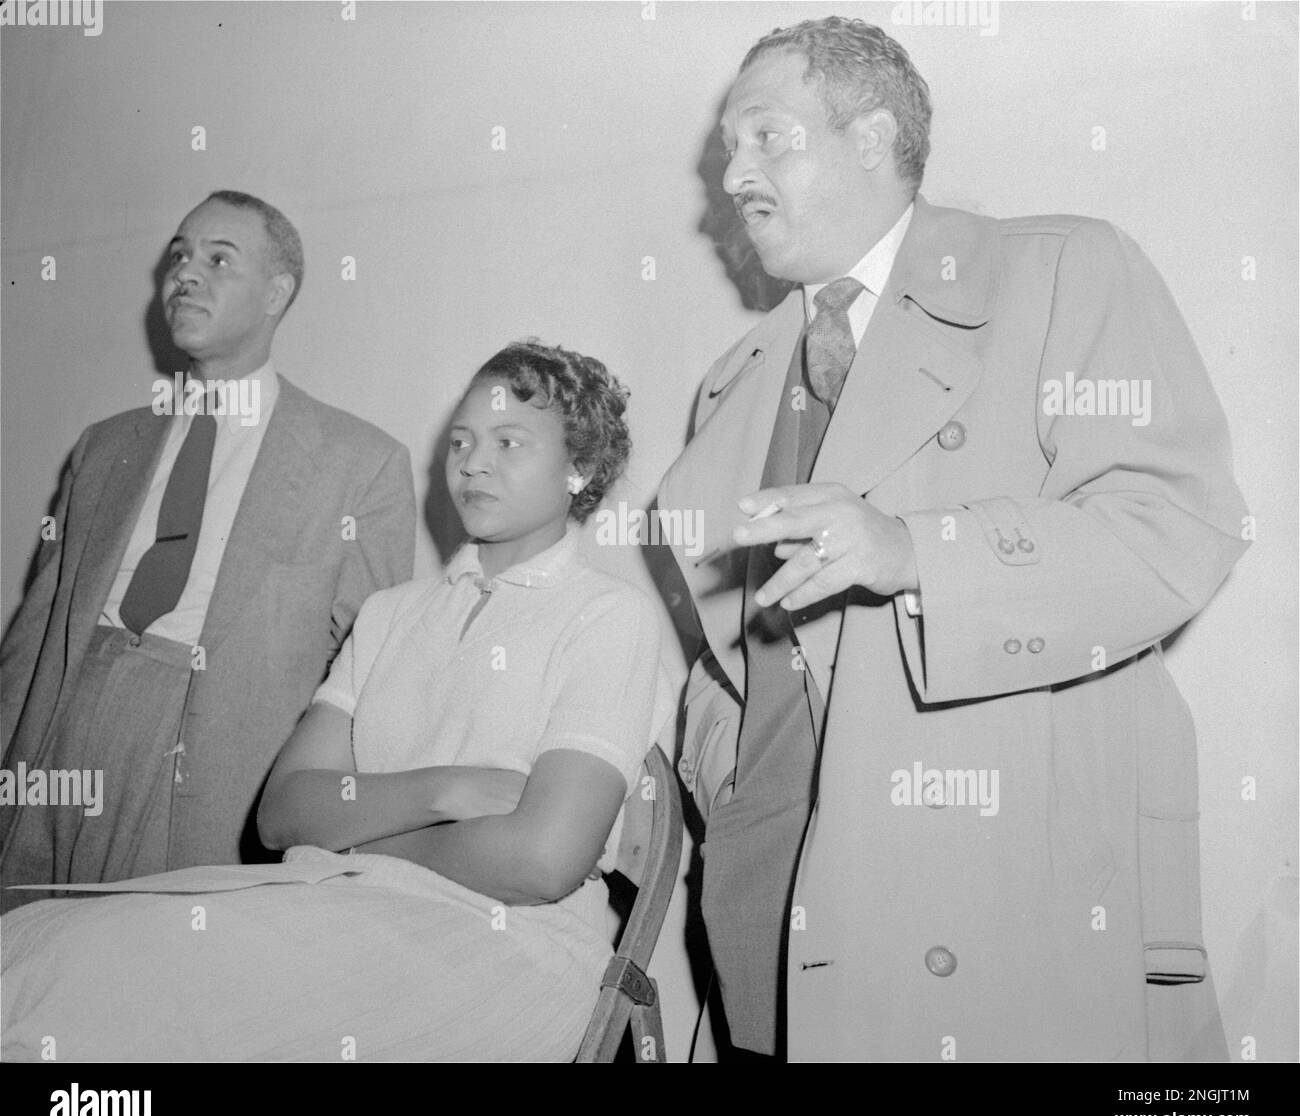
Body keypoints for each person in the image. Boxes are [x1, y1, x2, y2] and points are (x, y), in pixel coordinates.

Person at [658, 17, 1250, 1061]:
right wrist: (730, 775)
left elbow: (1175, 528)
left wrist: (916, 551)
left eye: (765, 136)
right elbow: (735, 659)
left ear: (875, 136)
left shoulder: (1062, 269)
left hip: (992, 901)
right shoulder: (732, 380)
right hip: (764, 910)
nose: (732, 172)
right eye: (726, 148)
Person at [2, 339, 674, 1062]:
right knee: (41, 946)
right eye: (461, 440)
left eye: (509, 441)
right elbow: (284, 811)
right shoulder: (391, 612)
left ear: (580, 467)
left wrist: (356, 836)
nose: (473, 462)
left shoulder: (607, 616)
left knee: (143, 999)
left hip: (506, 948)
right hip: (345, 902)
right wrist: (443, 789)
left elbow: (543, 861)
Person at [0, 191, 415, 911]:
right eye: (180, 256)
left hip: (212, 766)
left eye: (220, 259)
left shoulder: (360, 462)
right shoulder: (103, 448)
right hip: (64, 732)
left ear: (277, 293)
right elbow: (36, 629)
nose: (186, 274)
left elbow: (358, 678)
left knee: (152, 990)